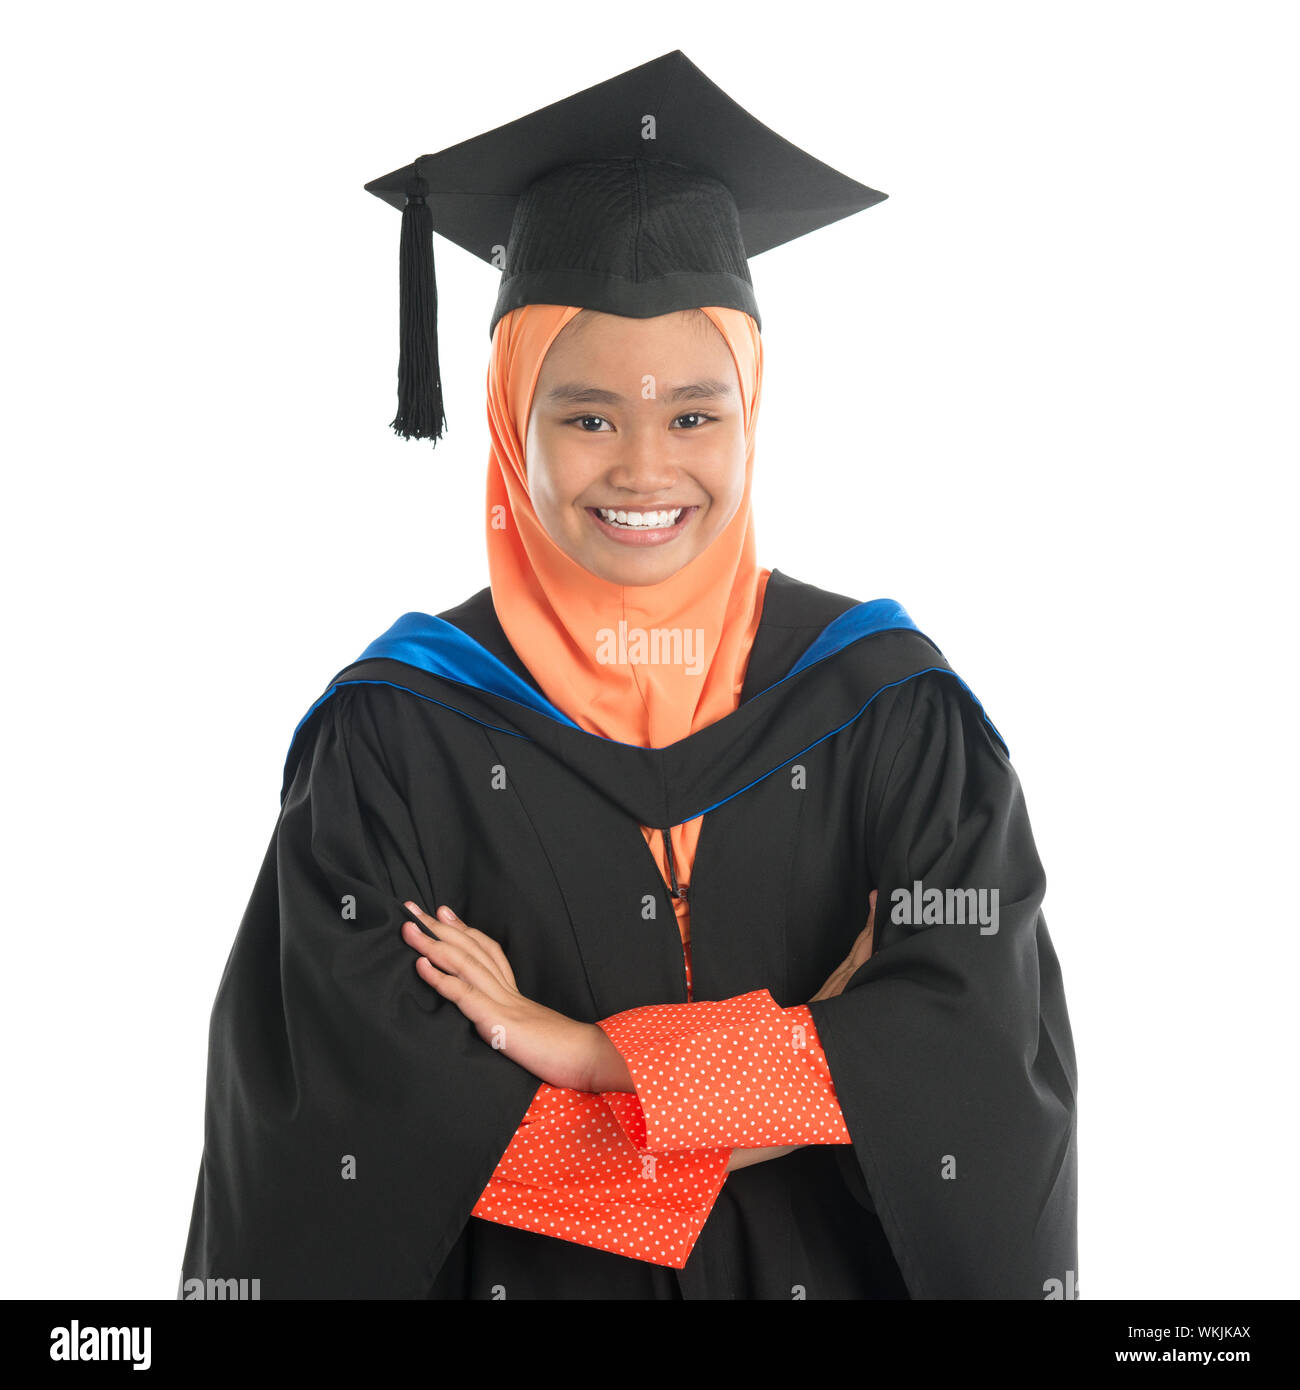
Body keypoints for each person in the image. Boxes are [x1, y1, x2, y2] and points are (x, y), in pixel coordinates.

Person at [180, 50, 1077, 1301]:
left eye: (695, 415)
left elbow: (967, 1066)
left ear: (752, 411)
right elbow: (362, 1118)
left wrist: (586, 1057)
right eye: (587, 416)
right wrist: (805, 1064)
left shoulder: (889, 710)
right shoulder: (396, 735)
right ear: (506, 422)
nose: (646, 469)